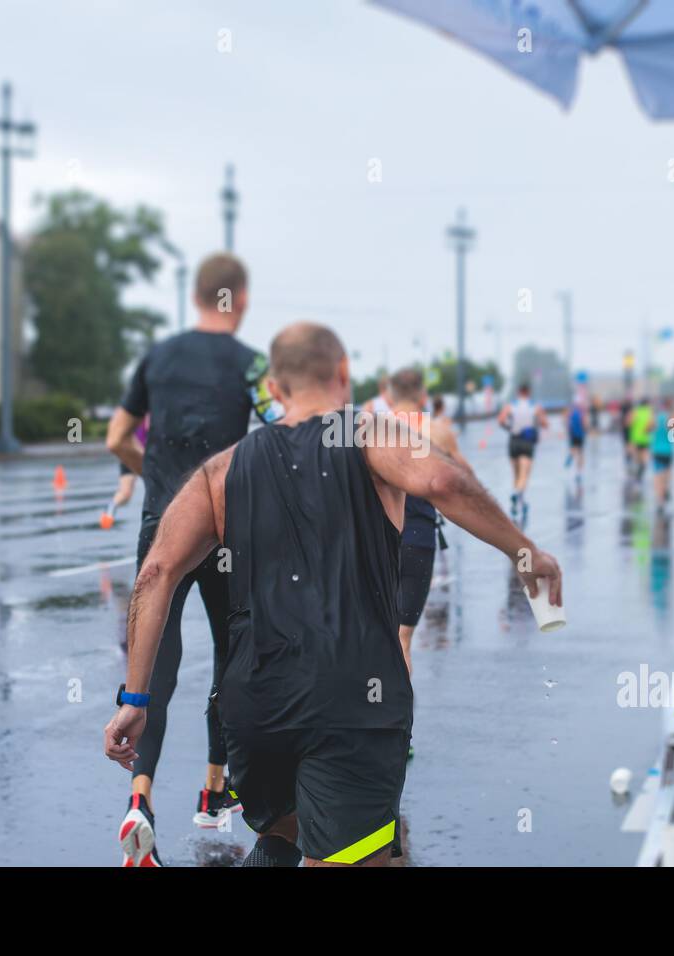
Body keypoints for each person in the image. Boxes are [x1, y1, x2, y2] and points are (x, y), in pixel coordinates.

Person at [103, 323, 562, 867]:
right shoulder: (369, 435)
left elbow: (155, 574)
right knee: (349, 854)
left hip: (254, 706)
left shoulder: (221, 471)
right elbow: (445, 484)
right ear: (343, 375)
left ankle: (274, 847)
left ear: (274, 390)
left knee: (285, 830)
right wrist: (526, 554)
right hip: (352, 701)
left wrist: (136, 701)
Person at [105, 253, 277, 864]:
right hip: (225, 528)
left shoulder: (159, 357)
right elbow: (283, 428)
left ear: (198, 295)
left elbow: (116, 437)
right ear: (242, 298)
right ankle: (213, 790)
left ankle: (139, 799)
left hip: (161, 524)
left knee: (154, 663)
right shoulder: (251, 363)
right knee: (231, 655)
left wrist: (151, 478)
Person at [385, 367, 471, 675]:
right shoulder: (437, 431)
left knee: (370, 634)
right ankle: (398, 720)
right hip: (417, 539)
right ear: (423, 395)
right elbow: (466, 481)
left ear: (389, 396)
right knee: (402, 638)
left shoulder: (364, 431)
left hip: (373, 541)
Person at [498, 382, 548, 524]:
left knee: (516, 475)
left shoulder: (510, 405)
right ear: (529, 392)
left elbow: (501, 420)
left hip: (513, 441)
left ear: (519, 392)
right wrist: (535, 424)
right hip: (527, 442)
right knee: (524, 476)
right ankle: (516, 495)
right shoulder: (535, 406)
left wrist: (510, 428)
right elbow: (544, 423)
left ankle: (519, 504)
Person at [102, 417, 147, 530]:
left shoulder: (131, 413)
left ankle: (111, 506)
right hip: (139, 454)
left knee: (125, 494)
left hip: (128, 454)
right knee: (157, 489)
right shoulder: (147, 412)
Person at [649, 399, 674, 507]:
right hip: (669, 450)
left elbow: (647, 429)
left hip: (656, 450)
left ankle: (659, 498)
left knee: (657, 474)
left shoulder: (654, 418)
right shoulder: (673, 419)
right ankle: (666, 489)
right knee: (667, 474)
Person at [628, 396, 654, 480]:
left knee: (637, 457)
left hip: (636, 438)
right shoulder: (649, 412)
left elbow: (629, 423)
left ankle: (638, 473)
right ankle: (640, 473)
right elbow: (651, 425)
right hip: (646, 438)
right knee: (644, 457)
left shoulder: (635, 412)